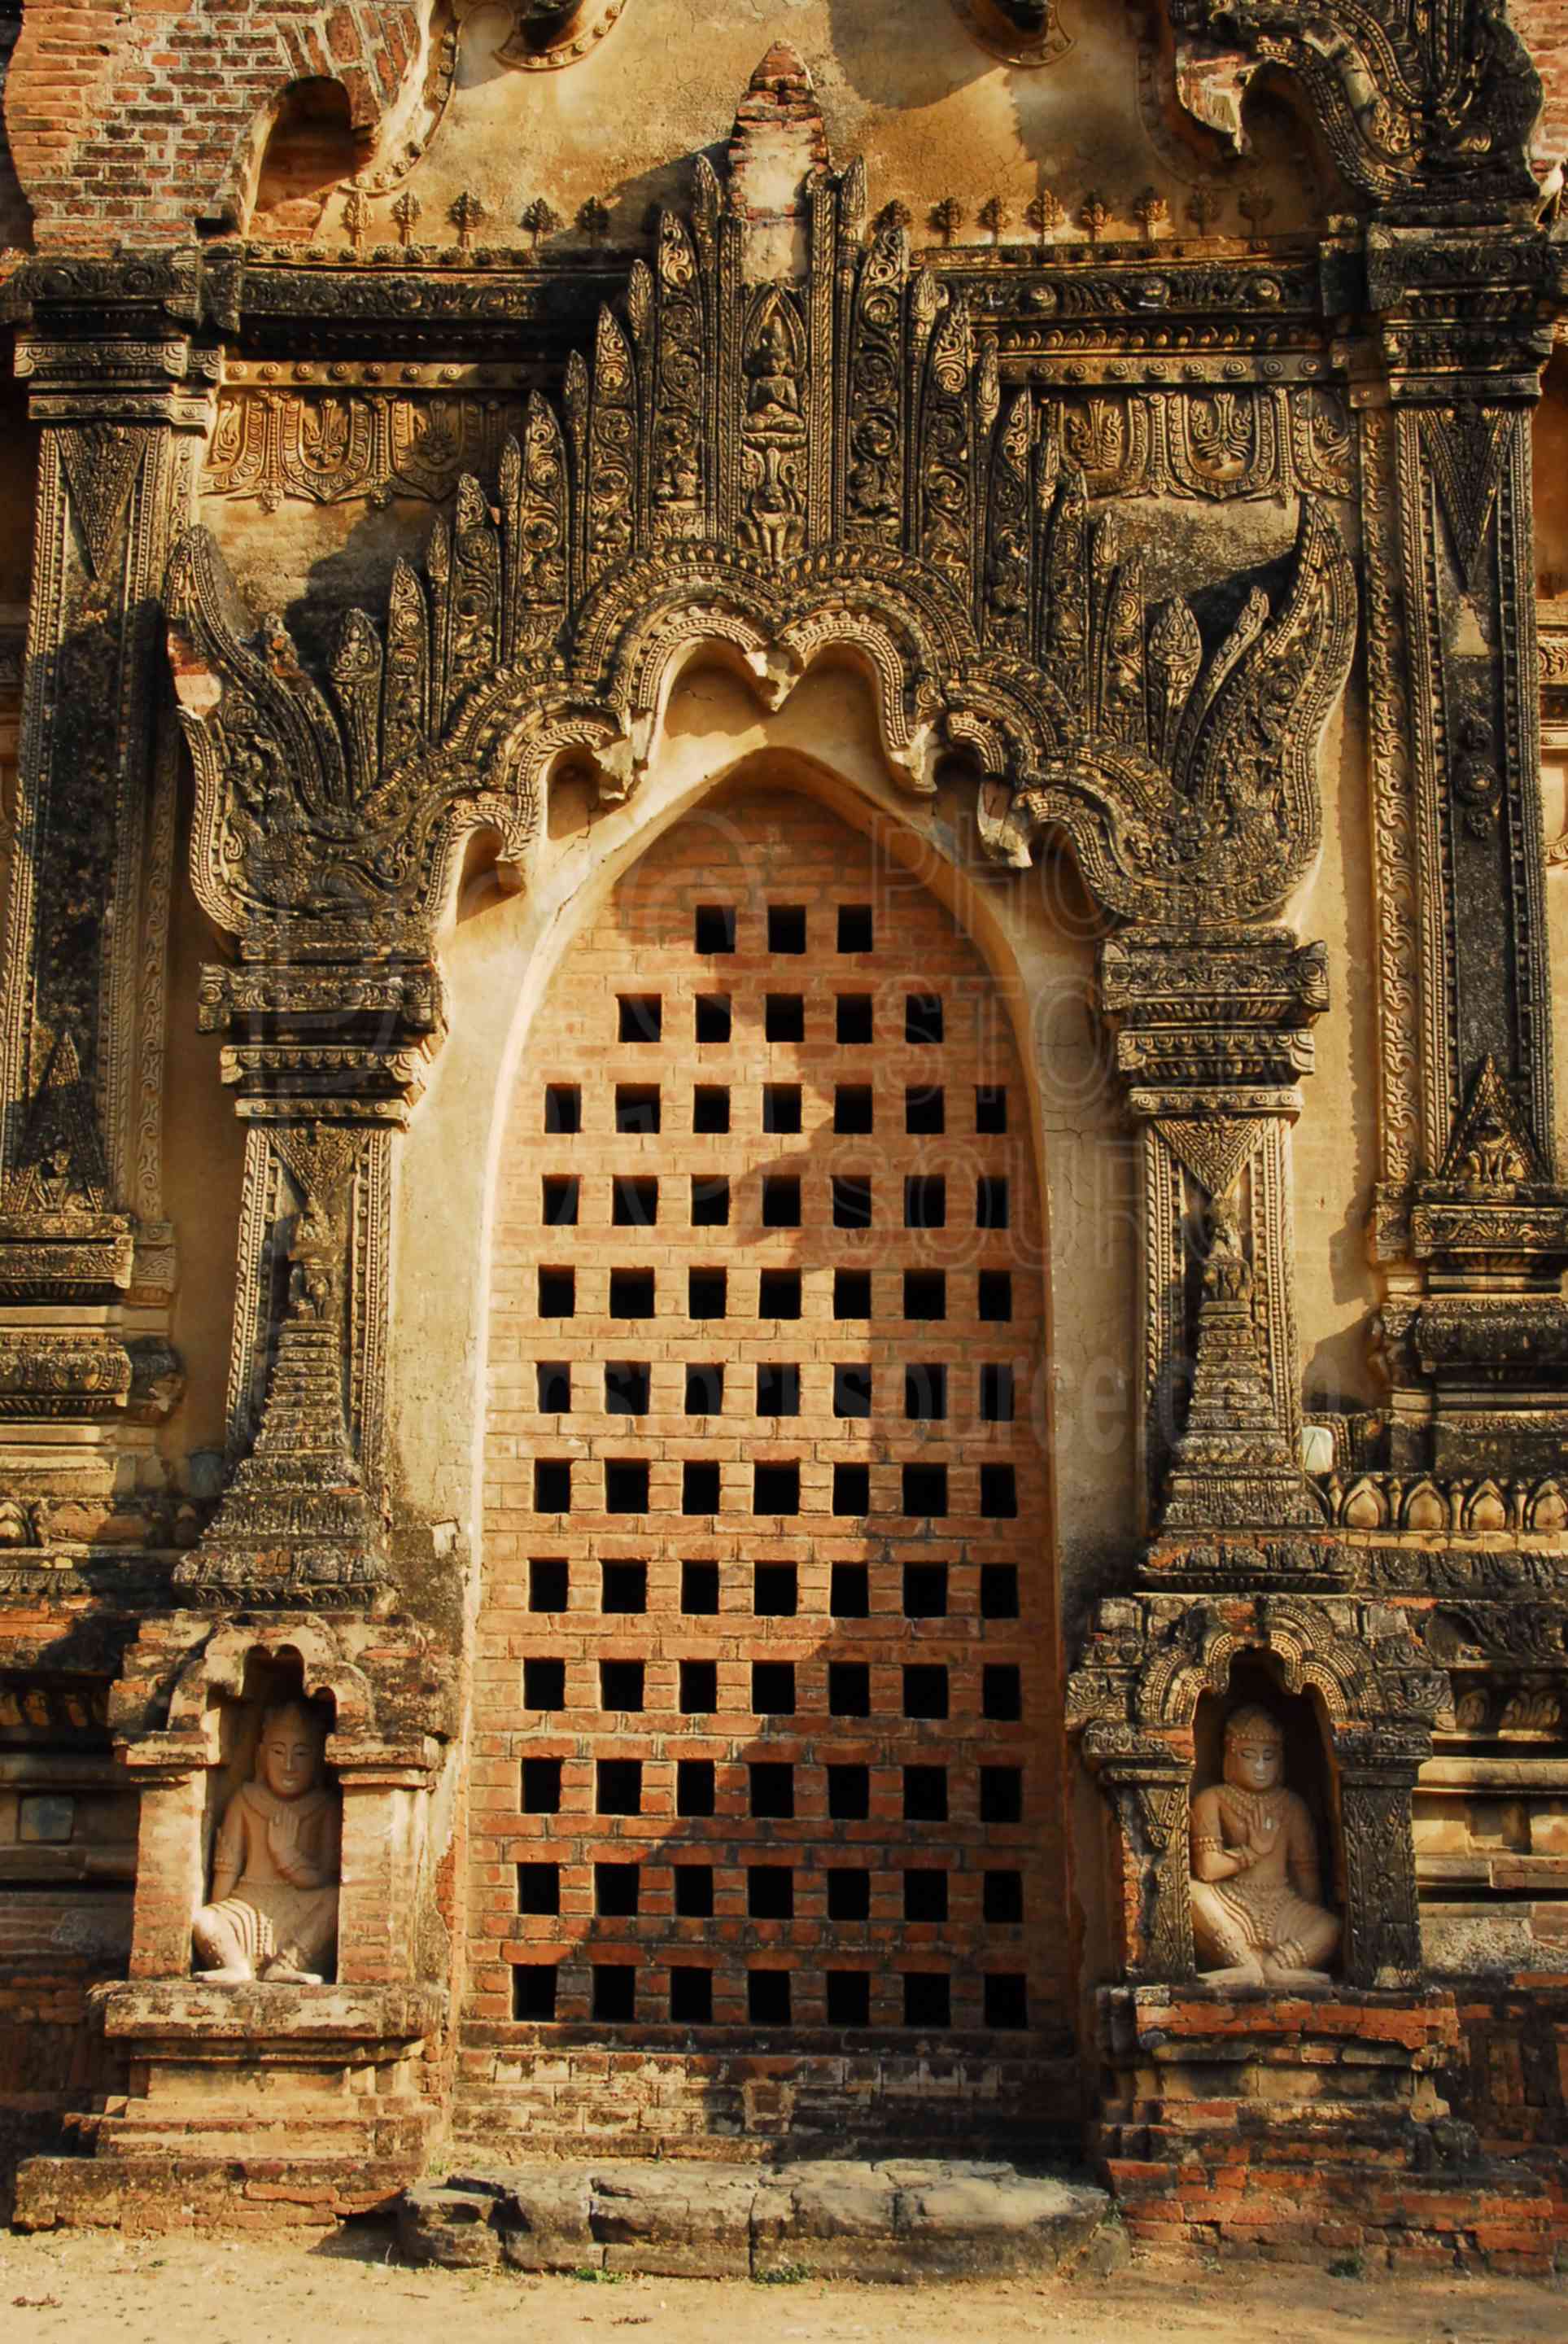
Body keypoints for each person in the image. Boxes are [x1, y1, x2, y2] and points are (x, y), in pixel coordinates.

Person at [1189, 1704, 1339, 1987]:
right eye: (1248, 1755)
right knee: (1192, 1894)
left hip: (1282, 1905)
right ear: (1230, 1756)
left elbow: (1306, 1879)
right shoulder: (1212, 1799)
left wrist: (1309, 1923)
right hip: (1231, 1902)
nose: (1260, 1766)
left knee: (1331, 1925)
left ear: (1280, 1760)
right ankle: (1244, 1964)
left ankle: (1277, 1967)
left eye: (1268, 1757)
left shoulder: (1292, 1806)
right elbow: (1207, 1869)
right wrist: (1252, 1853)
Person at [192, 1699, 339, 1984]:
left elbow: (325, 1876)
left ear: (319, 1760)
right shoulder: (245, 1800)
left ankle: (286, 1965)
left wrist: (287, 1856)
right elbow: (227, 1872)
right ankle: (235, 1965)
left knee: (336, 1901)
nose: (288, 1765)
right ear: (261, 1756)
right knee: (204, 1918)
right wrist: (219, 1915)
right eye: (277, 1752)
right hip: (246, 1903)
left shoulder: (325, 1807)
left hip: (301, 1907)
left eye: (301, 1754)